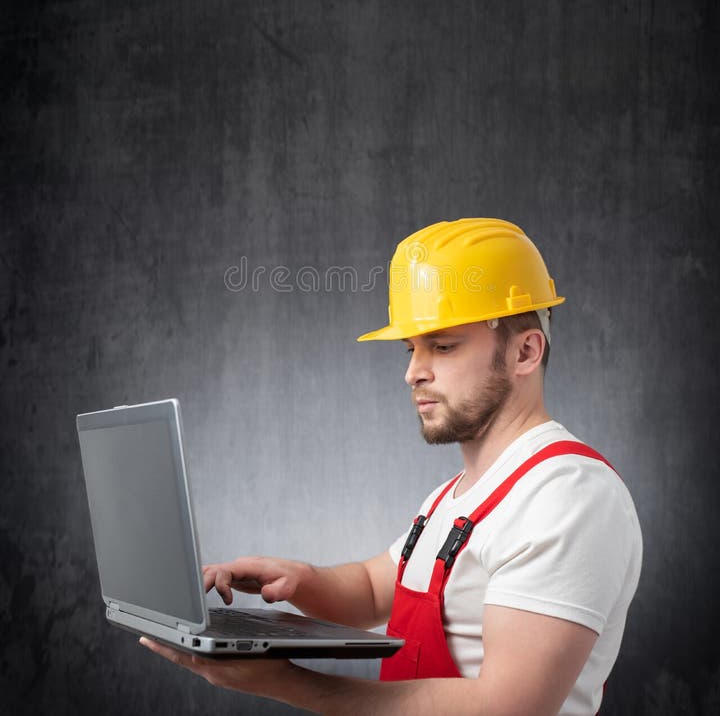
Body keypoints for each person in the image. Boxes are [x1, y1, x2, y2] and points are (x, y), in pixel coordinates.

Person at [141, 218, 643, 715]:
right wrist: (300, 580)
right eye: (411, 349)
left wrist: (286, 683)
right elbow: (373, 589)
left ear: (525, 351)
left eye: (442, 346)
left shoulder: (568, 496)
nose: (412, 372)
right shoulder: (452, 498)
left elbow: (507, 707)